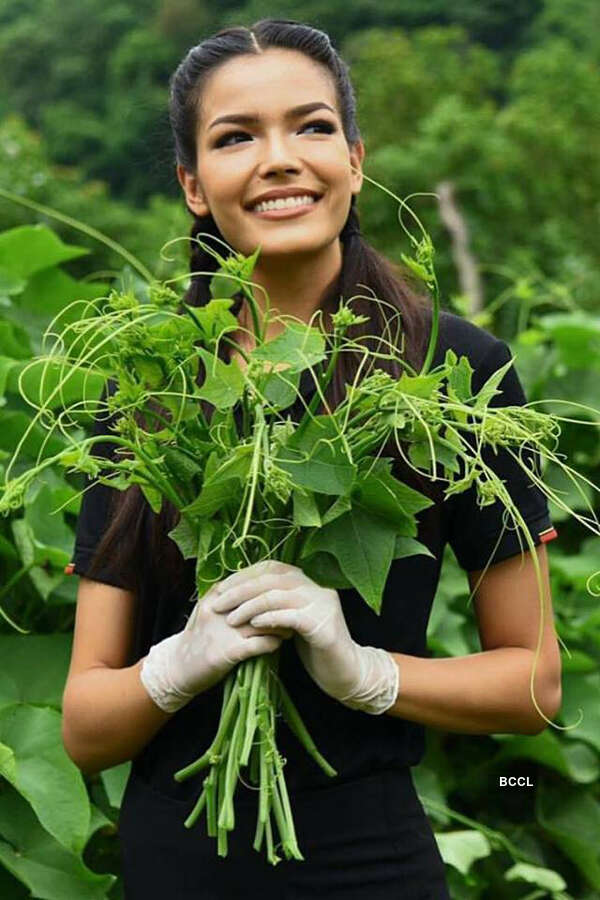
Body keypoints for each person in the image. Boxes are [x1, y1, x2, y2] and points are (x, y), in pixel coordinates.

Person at [61, 18, 562, 900]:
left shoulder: (450, 371)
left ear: (356, 161)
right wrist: (176, 666)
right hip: (173, 864)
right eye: (235, 137)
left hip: (370, 862)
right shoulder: (151, 382)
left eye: (313, 127)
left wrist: (369, 676)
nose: (280, 159)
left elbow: (534, 686)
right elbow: (85, 729)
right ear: (192, 185)